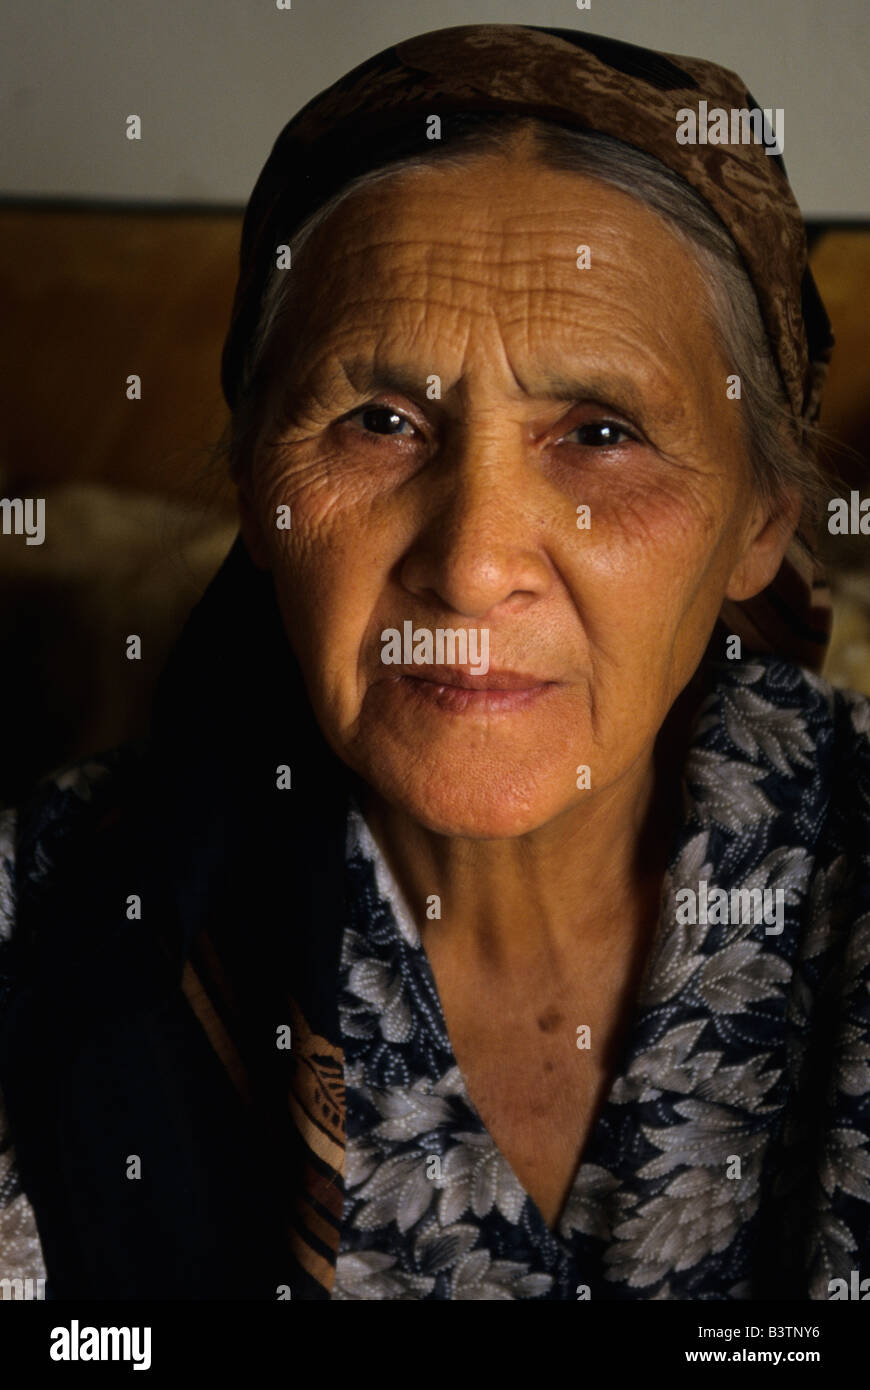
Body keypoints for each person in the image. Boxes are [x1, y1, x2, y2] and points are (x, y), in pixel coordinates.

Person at [2, 23, 868, 1302]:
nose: (470, 564)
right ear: (257, 487)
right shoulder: (52, 922)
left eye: (601, 431)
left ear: (760, 521)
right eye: (380, 421)